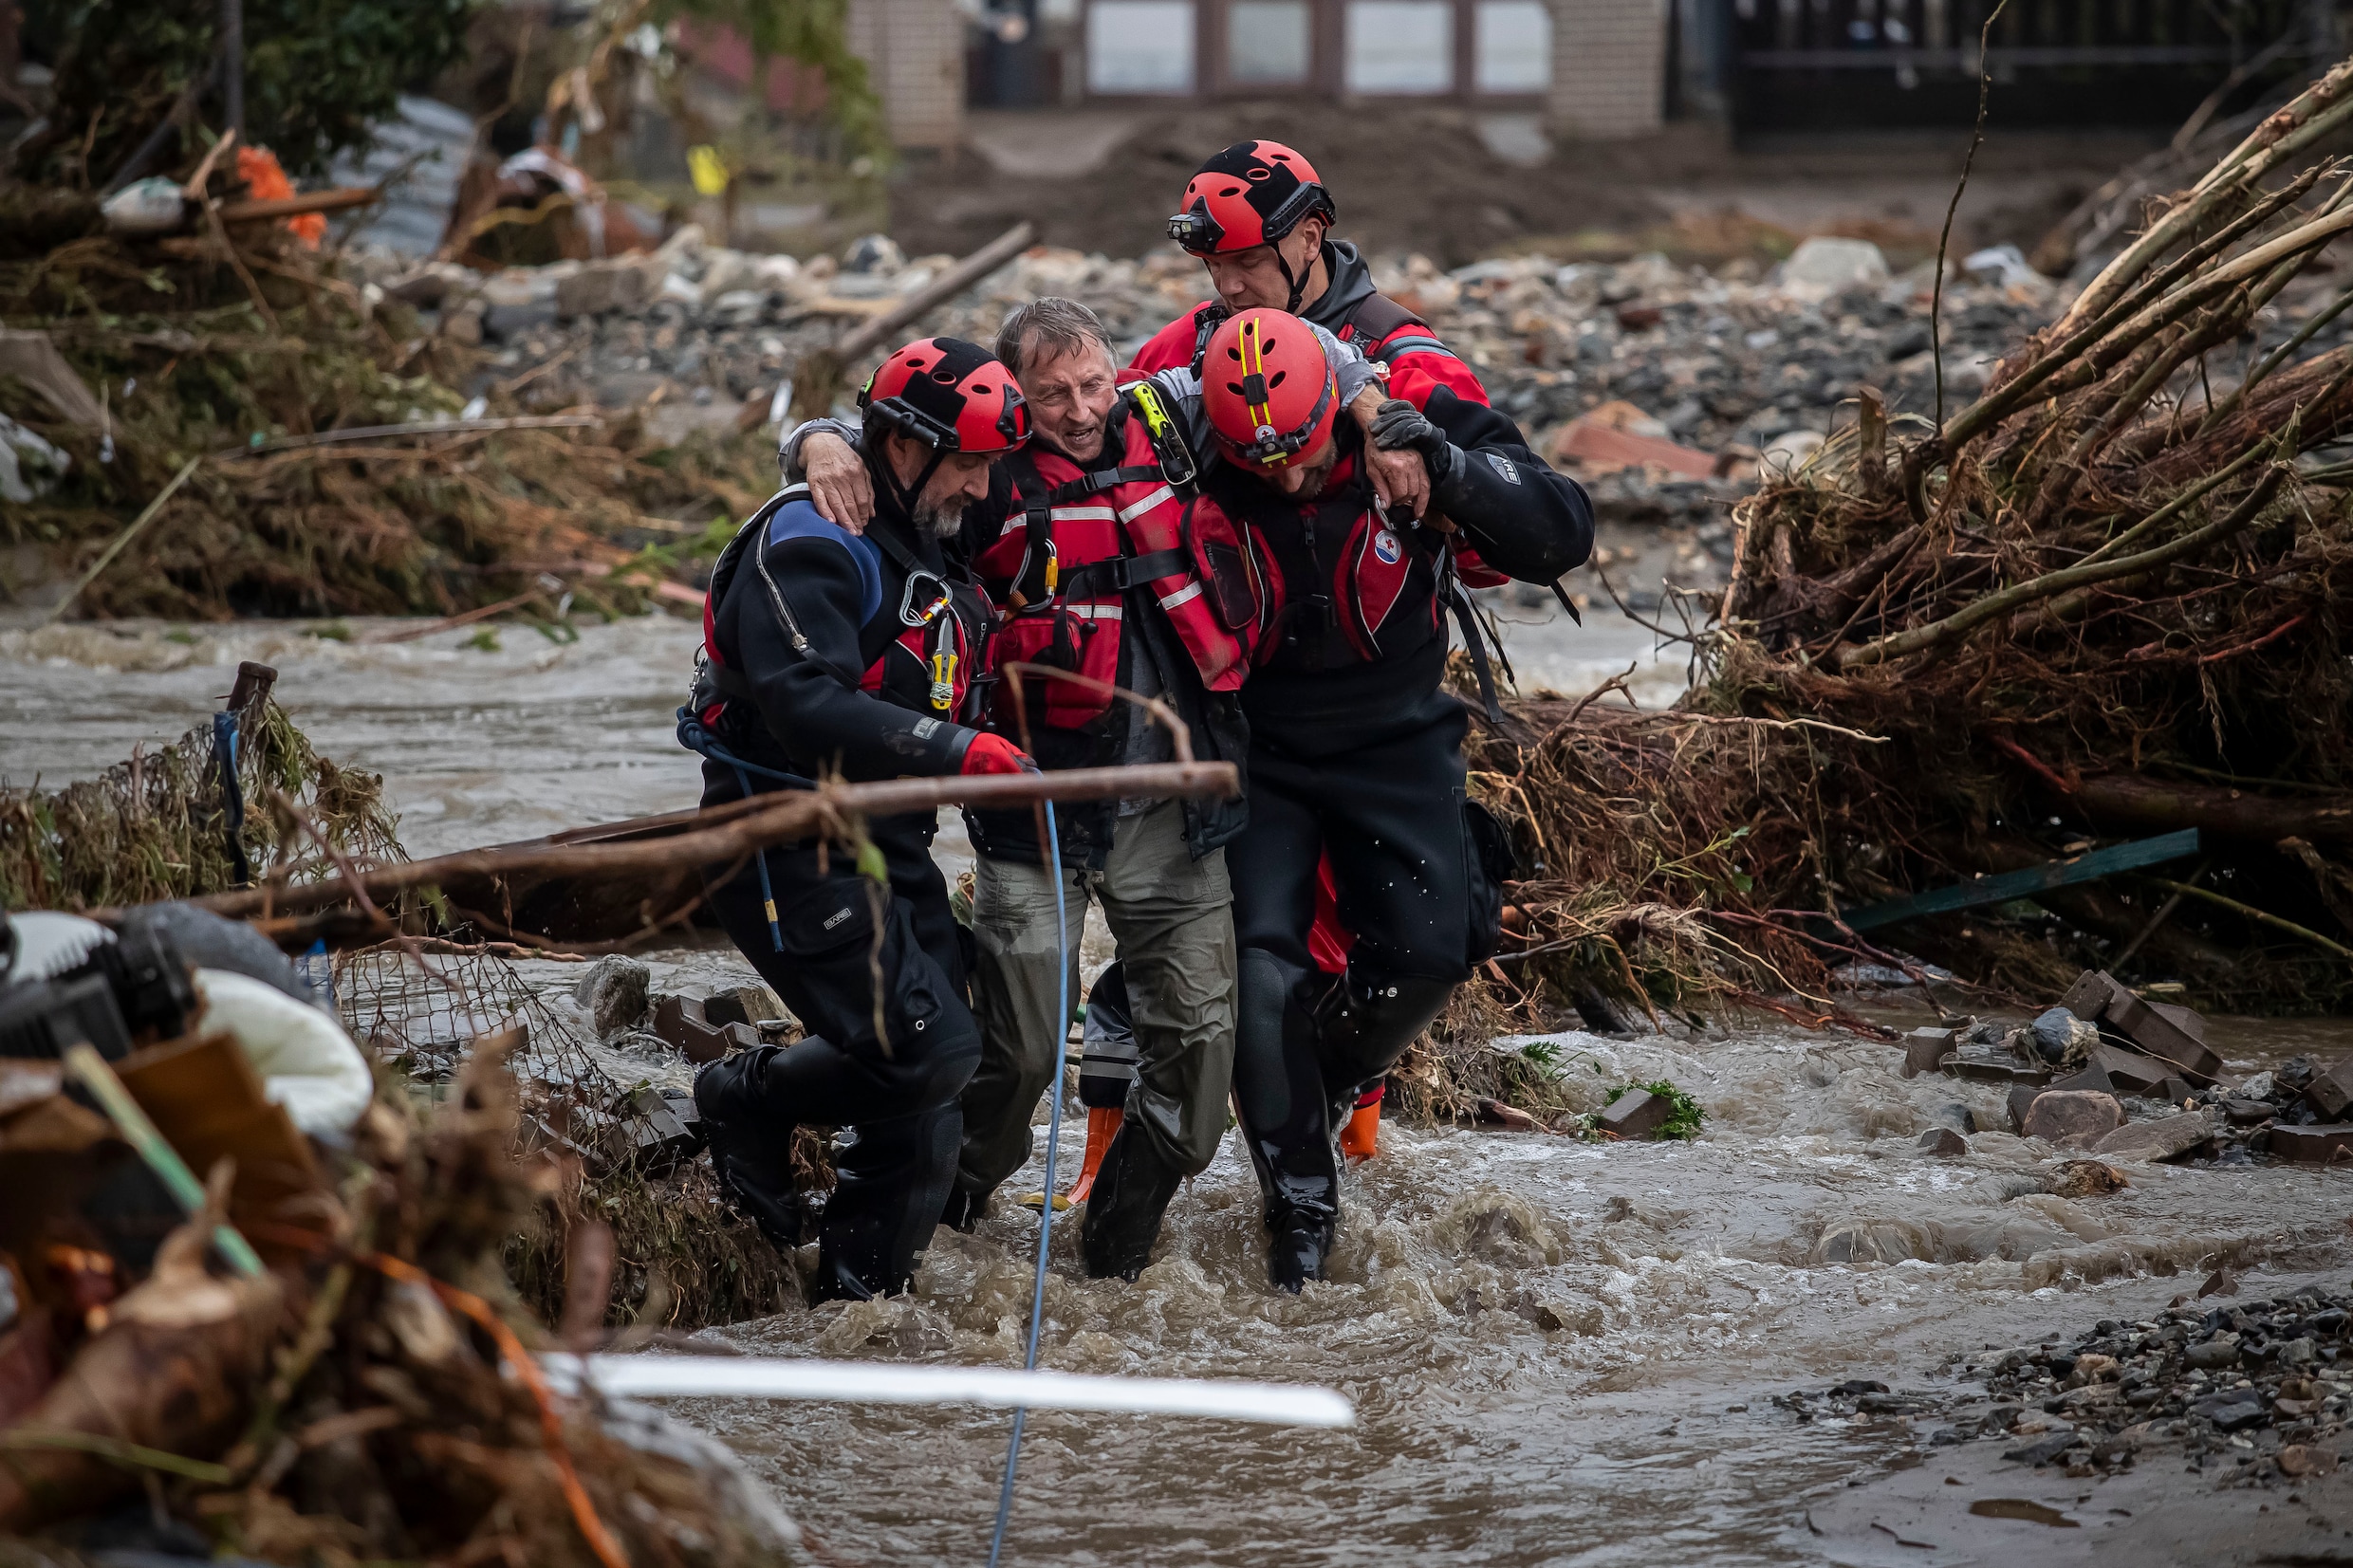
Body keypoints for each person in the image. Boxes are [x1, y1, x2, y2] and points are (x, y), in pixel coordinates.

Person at [781, 299, 1374, 1281]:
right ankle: (946, 1220)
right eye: (1052, 393)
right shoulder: (979, 467)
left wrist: (1386, 421)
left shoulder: (1167, 415)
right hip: (1032, 812)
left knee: (1195, 1079)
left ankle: (1115, 1252)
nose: (1079, 408)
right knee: (1012, 1063)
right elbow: (871, 445)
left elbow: (1327, 363)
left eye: (1092, 382)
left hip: (1176, 814)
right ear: (1014, 393)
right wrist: (810, 440)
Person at [1189, 306, 1593, 1291]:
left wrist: (1444, 465)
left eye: (1299, 455)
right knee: (1260, 965)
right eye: (1260, 463)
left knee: (1434, 950)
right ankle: (1298, 1208)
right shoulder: (1174, 418)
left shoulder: (1410, 411)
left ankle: (1304, 1089)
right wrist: (821, 439)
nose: (1284, 478)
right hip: (1260, 742)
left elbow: (1561, 527)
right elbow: (1030, 428)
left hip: (1396, 729)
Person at [682, 336, 1033, 1303]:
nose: (982, 482)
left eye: (989, 461)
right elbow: (805, 702)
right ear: (906, 447)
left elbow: (1091, 438)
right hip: (780, 836)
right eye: (964, 461)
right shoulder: (810, 539)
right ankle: (740, 1098)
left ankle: (858, 1310)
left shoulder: (934, 513)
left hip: (887, 838)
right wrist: (960, 751)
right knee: (932, 1050)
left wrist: (818, 433)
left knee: (934, 1095)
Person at [1129, 139, 1489, 419]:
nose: (1228, 287)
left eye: (1248, 262)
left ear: (1310, 239)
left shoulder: (1406, 361)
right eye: (1214, 265)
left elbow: (1521, 488)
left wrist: (1440, 467)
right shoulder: (1179, 349)